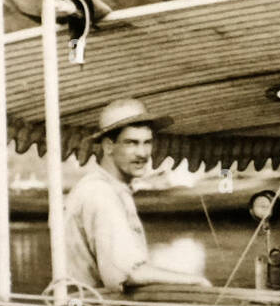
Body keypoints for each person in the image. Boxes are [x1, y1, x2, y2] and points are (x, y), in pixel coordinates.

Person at [65, 98, 213, 293]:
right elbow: (127, 274)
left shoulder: (110, 188)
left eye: (147, 143)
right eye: (131, 143)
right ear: (109, 146)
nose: (142, 153)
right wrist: (194, 281)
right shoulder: (101, 193)